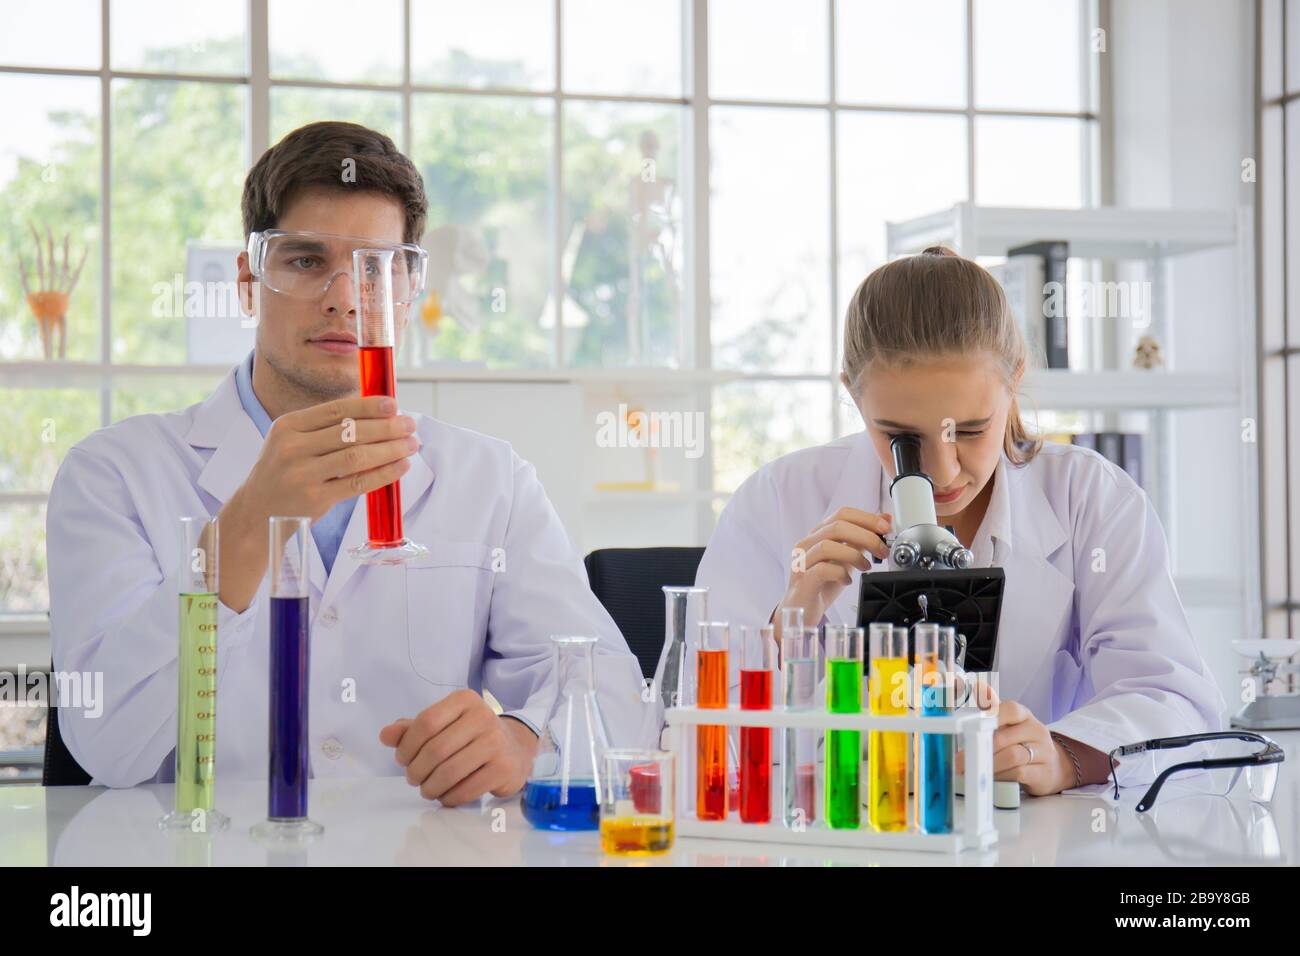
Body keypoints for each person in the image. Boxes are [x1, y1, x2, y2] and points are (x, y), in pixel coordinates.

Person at [47, 121, 649, 800]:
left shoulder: (491, 480)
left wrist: (524, 741)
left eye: (377, 268)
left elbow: (619, 700)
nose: (343, 296)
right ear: (248, 283)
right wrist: (250, 524)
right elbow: (105, 745)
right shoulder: (115, 473)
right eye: (304, 260)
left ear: (408, 288)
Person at [695, 246, 1223, 796]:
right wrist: (792, 624)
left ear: (1014, 380)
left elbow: (1173, 698)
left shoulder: (1090, 498)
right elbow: (696, 739)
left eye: (970, 430)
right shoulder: (779, 500)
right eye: (902, 439)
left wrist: (1064, 755)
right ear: (852, 393)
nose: (942, 473)